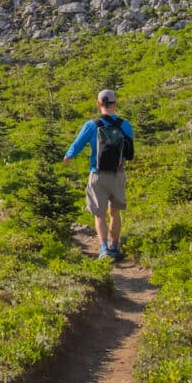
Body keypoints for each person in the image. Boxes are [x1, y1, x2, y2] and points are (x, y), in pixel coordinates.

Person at [63, 88, 134, 260]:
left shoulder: (92, 125)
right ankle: (114, 246)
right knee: (115, 213)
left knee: (99, 214)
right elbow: (129, 153)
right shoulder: (125, 125)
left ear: (99, 104)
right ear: (114, 104)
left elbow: (77, 144)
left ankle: (104, 249)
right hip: (118, 174)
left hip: (97, 174)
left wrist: (68, 156)